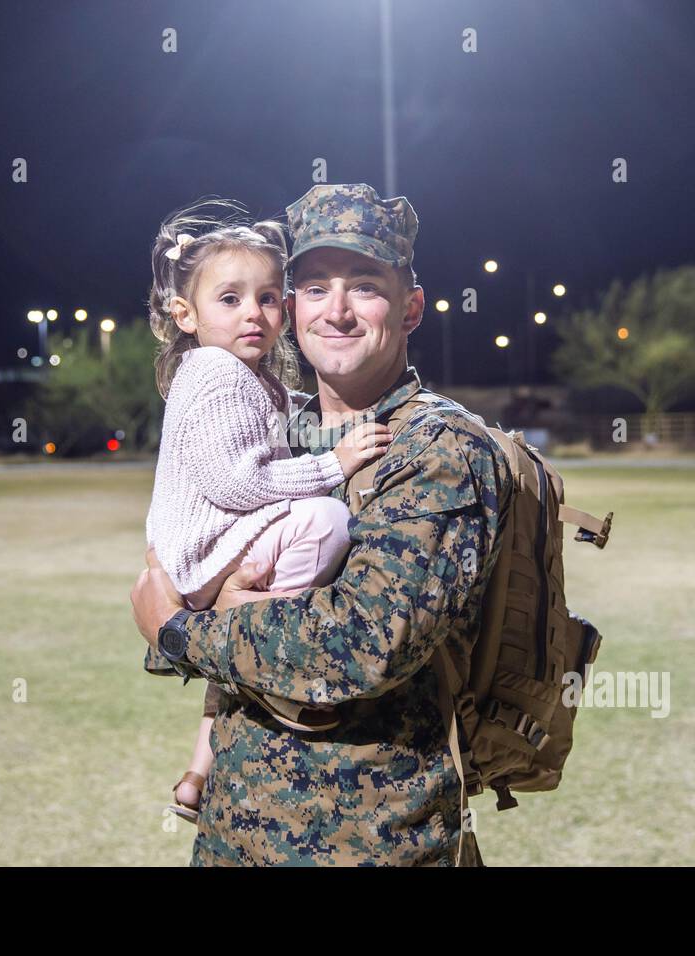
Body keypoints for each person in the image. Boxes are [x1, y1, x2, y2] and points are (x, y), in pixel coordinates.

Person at [131, 183, 514, 866]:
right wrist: (193, 610)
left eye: (364, 286)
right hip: (234, 834)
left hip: (372, 843)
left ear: (411, 307)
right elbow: (176, 566)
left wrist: (183, 629)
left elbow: (361, 646)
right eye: (311, 288)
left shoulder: (440, 449)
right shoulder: (278, 427)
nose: (335, 311)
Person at [141, 199, 393, 824]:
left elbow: (275, 418)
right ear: (186, 314)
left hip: (201, 556)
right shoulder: (216, 374)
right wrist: (334, 464)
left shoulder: (244, 374)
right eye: (230, 299)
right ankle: (273, 627)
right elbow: (237, 481)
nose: (254, 312)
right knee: (326, 519)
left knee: (223, 667)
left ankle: (197, 772)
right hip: (207, 548)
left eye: (270, 297)